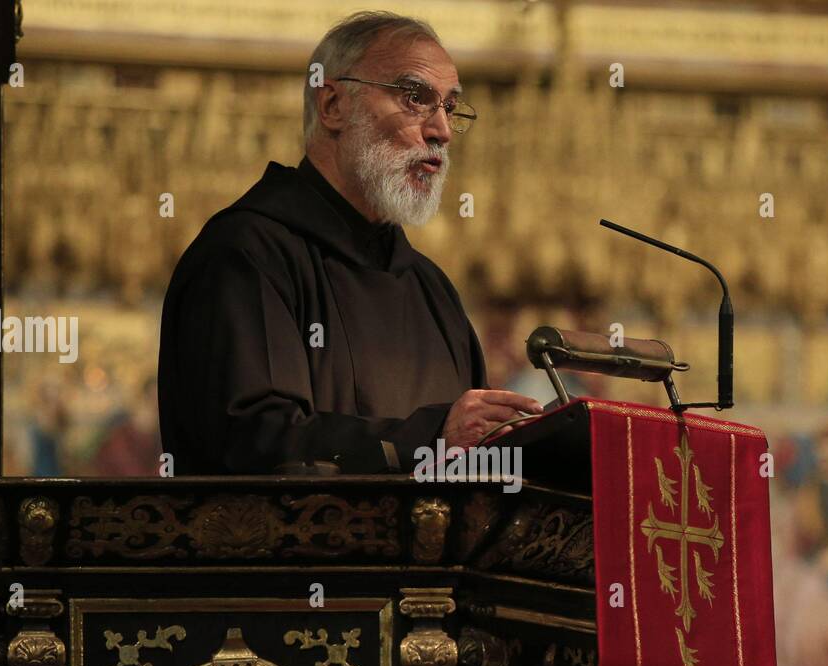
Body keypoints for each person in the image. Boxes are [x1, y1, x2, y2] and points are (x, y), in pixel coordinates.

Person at [158, 11, 542, 474]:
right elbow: (249, 440)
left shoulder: (432, 290)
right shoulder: (245, 254)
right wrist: (431, 436)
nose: (440, 130)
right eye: (415, 98)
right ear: (333, 106)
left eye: (449, 107)